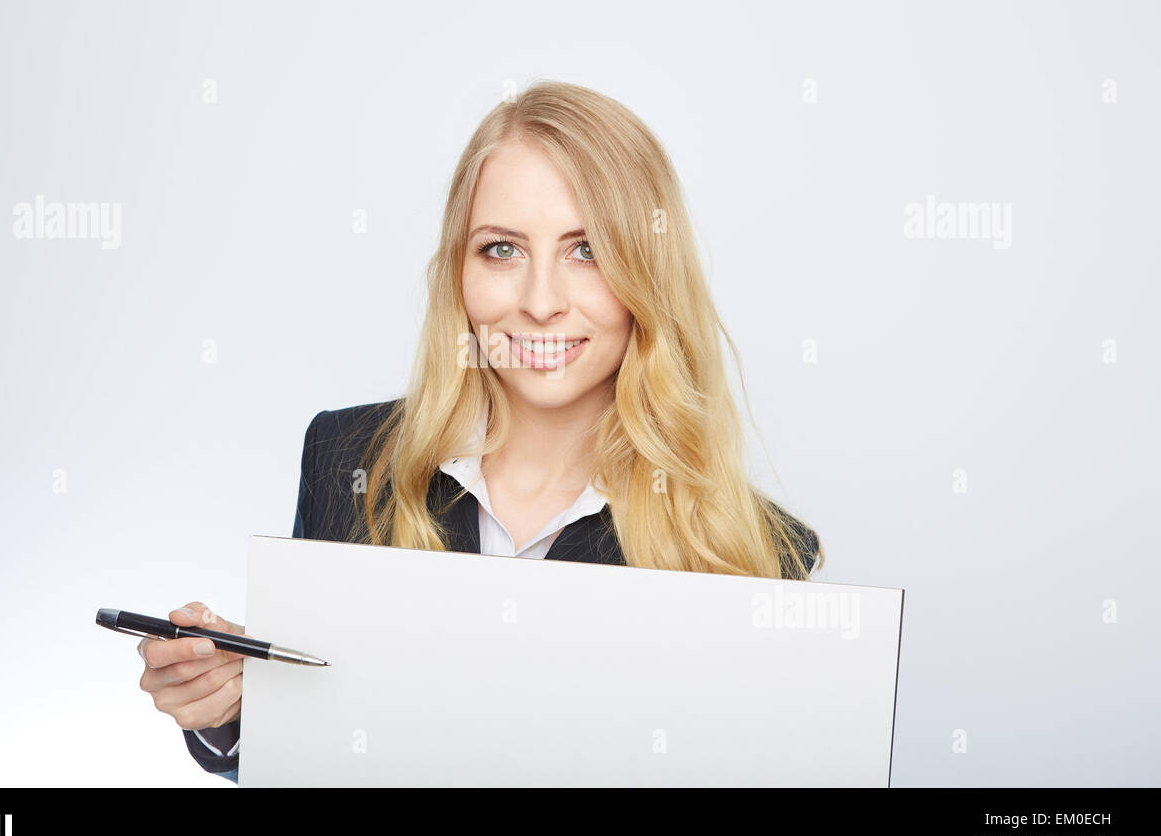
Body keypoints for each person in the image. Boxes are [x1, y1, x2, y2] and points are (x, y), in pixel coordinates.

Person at [137, 80, 825, 783]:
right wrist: (229, 712)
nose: (541, 302)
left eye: (586, 250)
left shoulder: (756, 551)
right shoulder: (348, 459)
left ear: (649, 272)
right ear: (458, 270)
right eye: (502, 250)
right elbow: (319, 755)